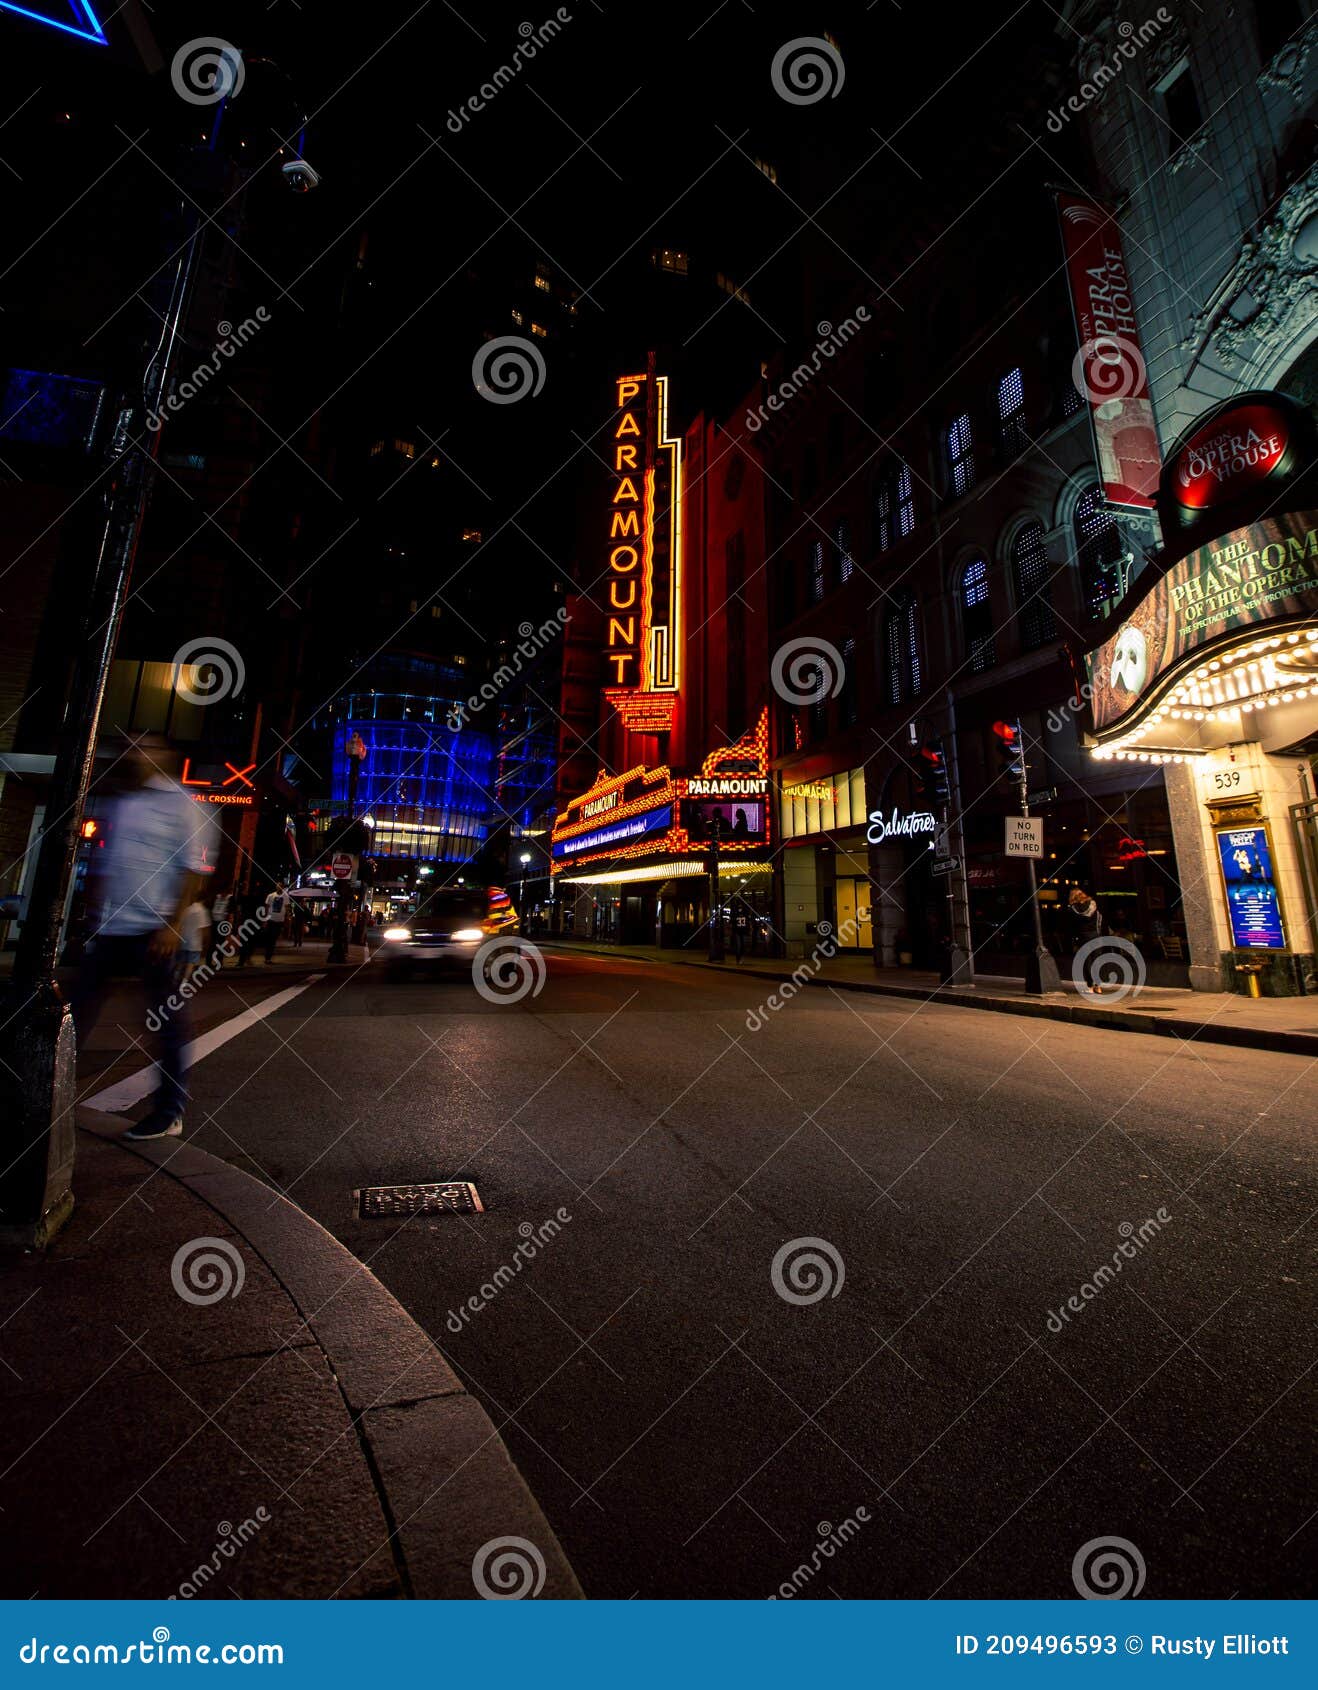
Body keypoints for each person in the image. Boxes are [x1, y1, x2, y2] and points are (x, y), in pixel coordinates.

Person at [73, 733, 216, 1140]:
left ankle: (169, 1111)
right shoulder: (123, 802)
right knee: (76, 1011)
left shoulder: (186, 804)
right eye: (133, 748)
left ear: (166, 756)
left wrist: (172, 925)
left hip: (153, 930)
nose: (137, 755)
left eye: (147, 748)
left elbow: (193, 871)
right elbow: (106, 863)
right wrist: (93, 911)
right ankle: (42, 1088)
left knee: (166, 1021)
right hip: (111, 927)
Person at [1068, 887, 1105, 993]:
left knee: (1087, 961)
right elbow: (1099, 919)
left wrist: (1074, 939)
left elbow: (1073, 926)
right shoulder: (1093, 904)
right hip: (1096, 935)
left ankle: (1090, 986)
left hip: (1083, 937)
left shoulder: (1073, 909)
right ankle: (1098, 986)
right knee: (1096, 960)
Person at [179, 897, 210, 980]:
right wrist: (205, 942)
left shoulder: (187, 909)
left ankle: (174, 979)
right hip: (195, 943)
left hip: (183, 940)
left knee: (181, 962)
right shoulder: (202, 911)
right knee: (190, 964)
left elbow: (180, 924)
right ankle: (184, 982)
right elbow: (203, 928)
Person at [260, 882, 288, 962]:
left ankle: (269, 956)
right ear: (276, 887)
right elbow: (267, 907)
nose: (279, 887)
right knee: (270, 939)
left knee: (274, 939)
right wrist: (265, 919)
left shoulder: (285, 897)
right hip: (271, 920)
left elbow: (287, 908)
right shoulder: (271, 896)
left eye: (281, 886)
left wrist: (286, 919)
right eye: (278, 886)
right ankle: (267, 957)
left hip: (279, 921)